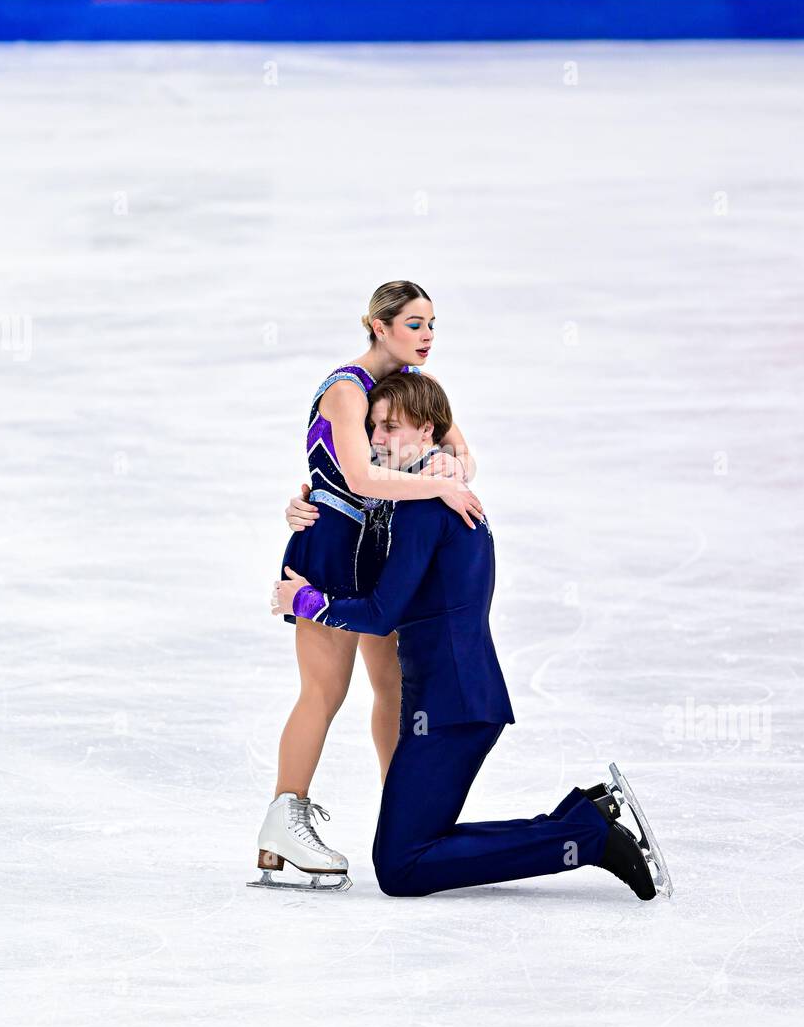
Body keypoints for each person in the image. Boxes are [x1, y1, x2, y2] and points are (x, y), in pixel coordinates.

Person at [265, 372, 673, 901]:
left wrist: (304, 601)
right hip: (449, 699)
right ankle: (583, 820)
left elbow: (383, 613)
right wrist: (309, 506)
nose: (376, 440)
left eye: (390, 427)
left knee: (402, 867)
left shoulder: (426, 506)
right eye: (372, 428)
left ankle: (587, 836)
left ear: (429, 430)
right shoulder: (432, 497)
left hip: (453, 704)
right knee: (409, 852)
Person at [253, 283, 483, 889]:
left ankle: (400, 813)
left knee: (393, 687)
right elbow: (358, 474)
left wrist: (444, 469)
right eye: (413, 324)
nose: (427, 335)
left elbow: (459, 452)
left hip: (376, 546)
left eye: (433, 323)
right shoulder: (347, 389)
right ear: (377, 327)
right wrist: (435, 485)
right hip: (330, 548)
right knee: (324, 693)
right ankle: (284, 816)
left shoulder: (405, 384)